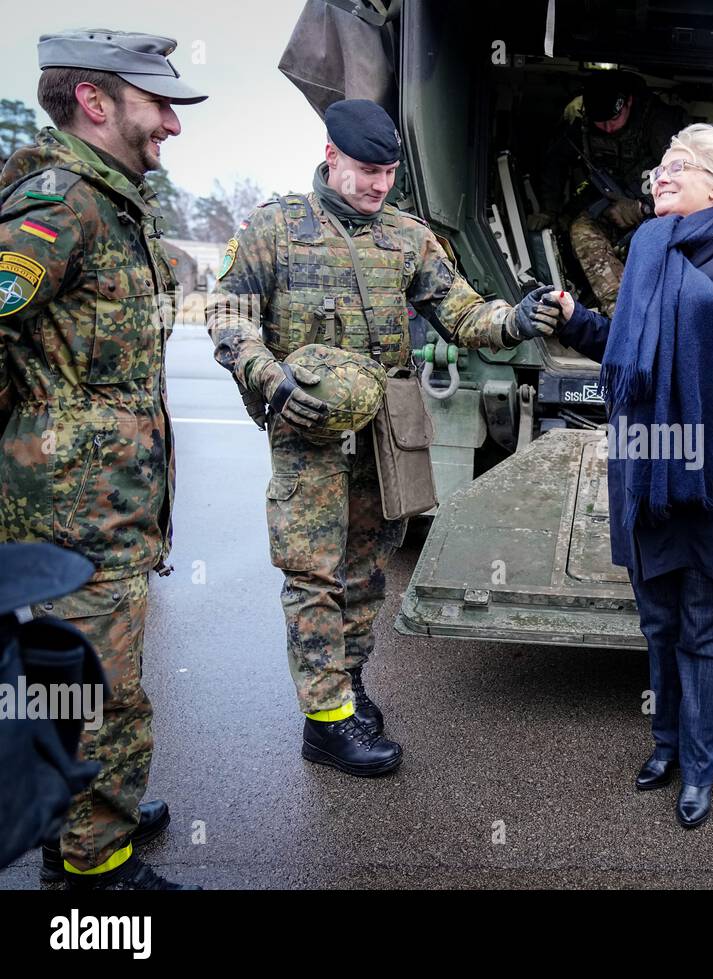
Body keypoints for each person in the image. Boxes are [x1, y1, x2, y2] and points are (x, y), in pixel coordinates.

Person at [206, 99, 544, 778]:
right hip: (308, 428)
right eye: (366, 170)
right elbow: (226, 309)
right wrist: (267, 378)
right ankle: (325, 722)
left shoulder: (408, 237)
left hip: (385, 429)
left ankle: (347, 685)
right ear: (331, 155)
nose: (378, 185)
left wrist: (516, 319)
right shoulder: (275, 227)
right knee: (312, 571)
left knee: (368, 565)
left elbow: (462, 312)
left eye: (389, 172)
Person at [515, 123, 713, 829]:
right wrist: (575, 319)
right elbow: (622, 350)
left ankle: (701, 767)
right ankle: (664, 746)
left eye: (678, 166)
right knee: (658, 623)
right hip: (647, 467)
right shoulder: (648, 253)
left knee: (706, 631)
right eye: (659, 166)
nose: (661, 174)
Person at [0, 28, 207, 890]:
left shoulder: (112, 199)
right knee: (101, 688)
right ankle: (95, 874)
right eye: (158, 103)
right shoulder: (60, 203)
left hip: (104, 503)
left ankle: (79, 811)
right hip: (72, 509)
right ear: (95, 100)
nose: (172, 124)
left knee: (81, 679)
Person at [530, 71, 686, 317]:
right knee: (582, 229)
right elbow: (555, 163)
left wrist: (642, 207)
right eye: (600, 123)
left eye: (614, 119)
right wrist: (551, 209)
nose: (608, 128)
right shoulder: (583, 125)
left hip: (659, 210)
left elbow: (685, 178)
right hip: (610, 204)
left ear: (629, 102)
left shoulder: (658, 123)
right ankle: (620, 314)